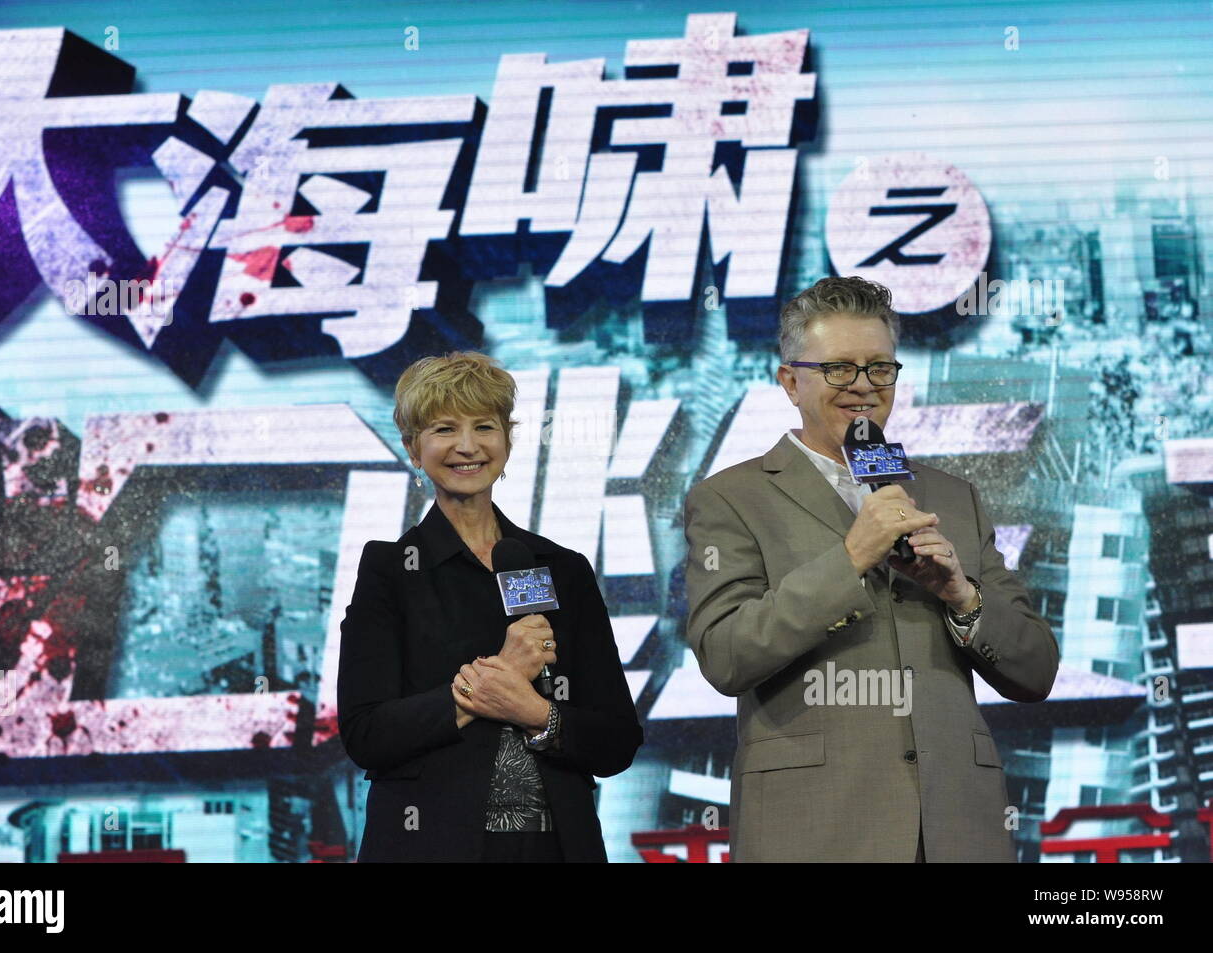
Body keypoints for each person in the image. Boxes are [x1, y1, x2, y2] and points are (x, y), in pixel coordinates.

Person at [682, 276, 1059, 862]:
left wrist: (964, 600)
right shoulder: (730, 498)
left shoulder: (951, 496)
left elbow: (1037, 669)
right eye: (838, 369)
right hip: (815, 828)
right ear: (790, 381)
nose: (862, 386)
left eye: (880, 368)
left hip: (957, 829)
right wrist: (851, 558)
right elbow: (726, 653)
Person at [338, 351, 643, 862]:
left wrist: (536, 713)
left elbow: (616, 740)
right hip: (429, 843)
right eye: (443, 429)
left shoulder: (561, 568)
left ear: (507, 439)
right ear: (413, 448)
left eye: (484, 426)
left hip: (556, 845)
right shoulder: (390, 570)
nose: (466, 446)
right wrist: (496, 681)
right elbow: (367, 734)